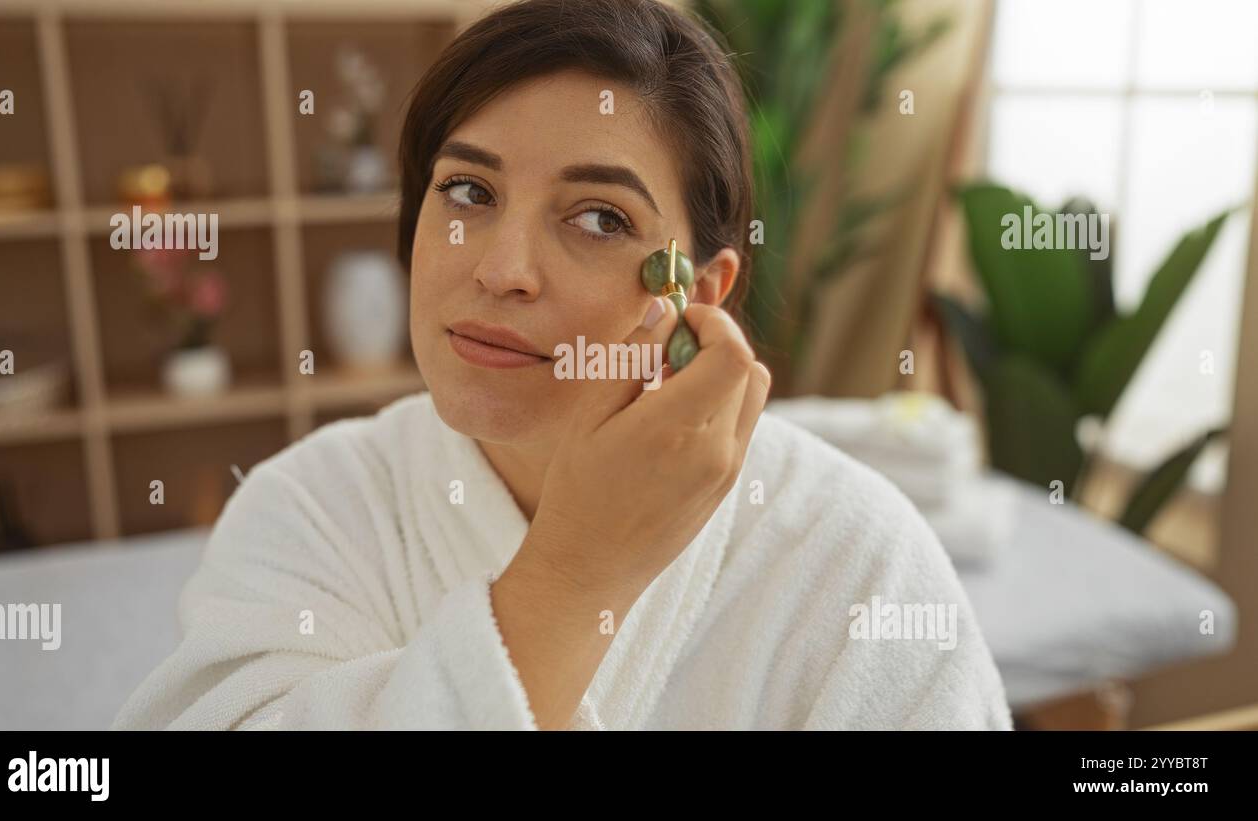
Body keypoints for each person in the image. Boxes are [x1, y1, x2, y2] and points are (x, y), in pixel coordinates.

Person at [113, 0, 1011, 731]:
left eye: (597, 219)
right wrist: (578, 572)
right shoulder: (311, 506)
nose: (501, 269)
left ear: (698, 290)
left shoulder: (855, 554)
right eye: (468, 191)